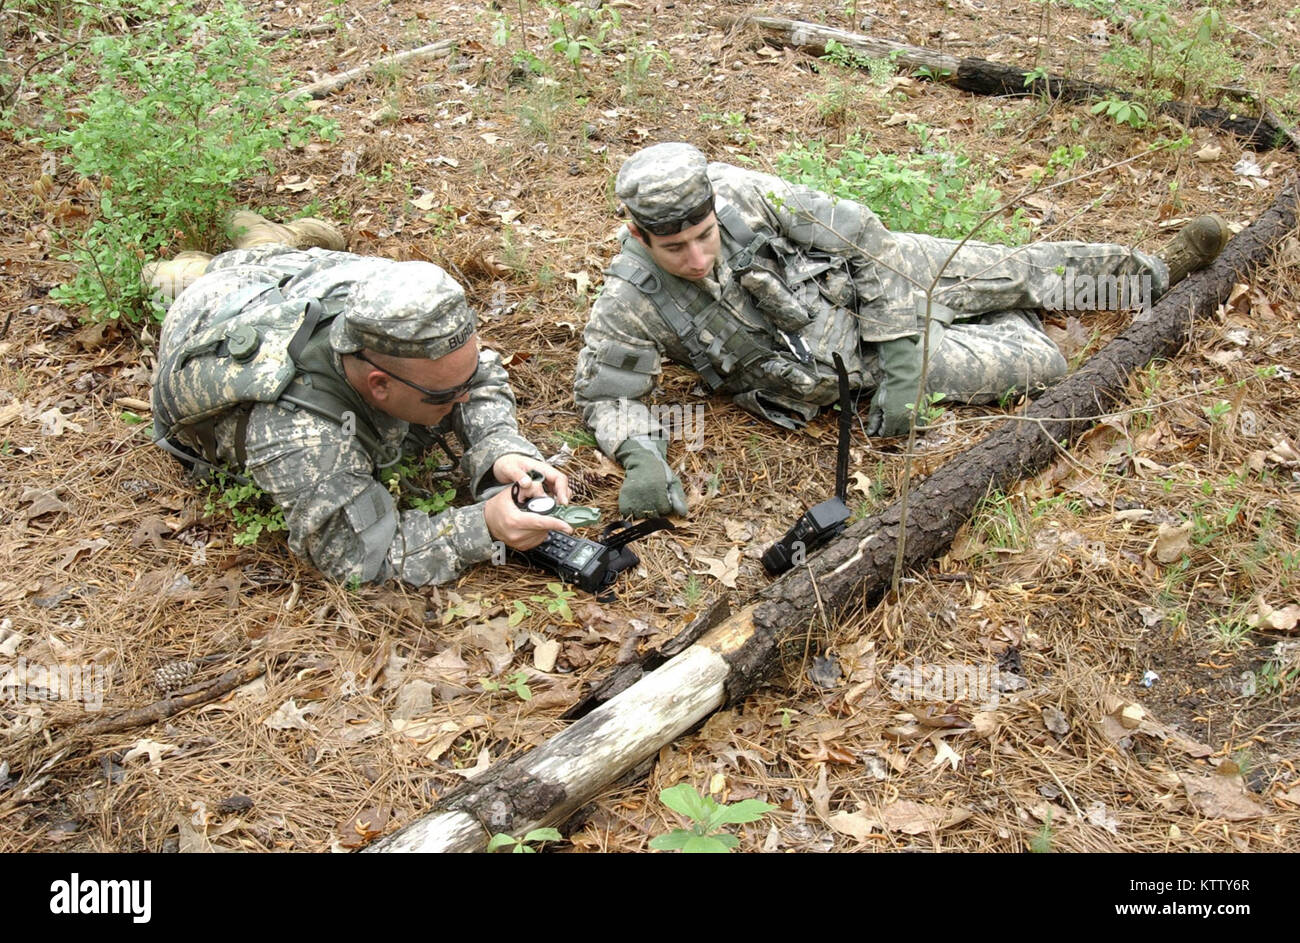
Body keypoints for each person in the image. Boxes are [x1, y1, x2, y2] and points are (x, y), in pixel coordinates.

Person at [574, 142, 1230, 518]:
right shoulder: (632, 296)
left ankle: (1148, 273)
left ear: (714, 209)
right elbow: (606, 394)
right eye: (675, 247)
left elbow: (857, 231)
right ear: (638, 234)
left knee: (1015, 268)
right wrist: (641, 455)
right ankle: (1000, 326)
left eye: (703, 236)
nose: (695, 257)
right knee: (1044, 368)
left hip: (878, 281)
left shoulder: (742, 192)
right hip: (840, 366)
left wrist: (901, 353)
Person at [150, 212, 572, 587]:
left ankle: (263, 236)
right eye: (446, 395)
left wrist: (497, 446)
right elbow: (359, 555)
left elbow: (478, 376)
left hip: (299, 272)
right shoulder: (300, 433)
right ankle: (191, 265)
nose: (466, 395)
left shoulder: (396, 310)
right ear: (378, 384)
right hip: (209, 303)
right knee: (179, 278)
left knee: (297, 242)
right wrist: (485, 525)